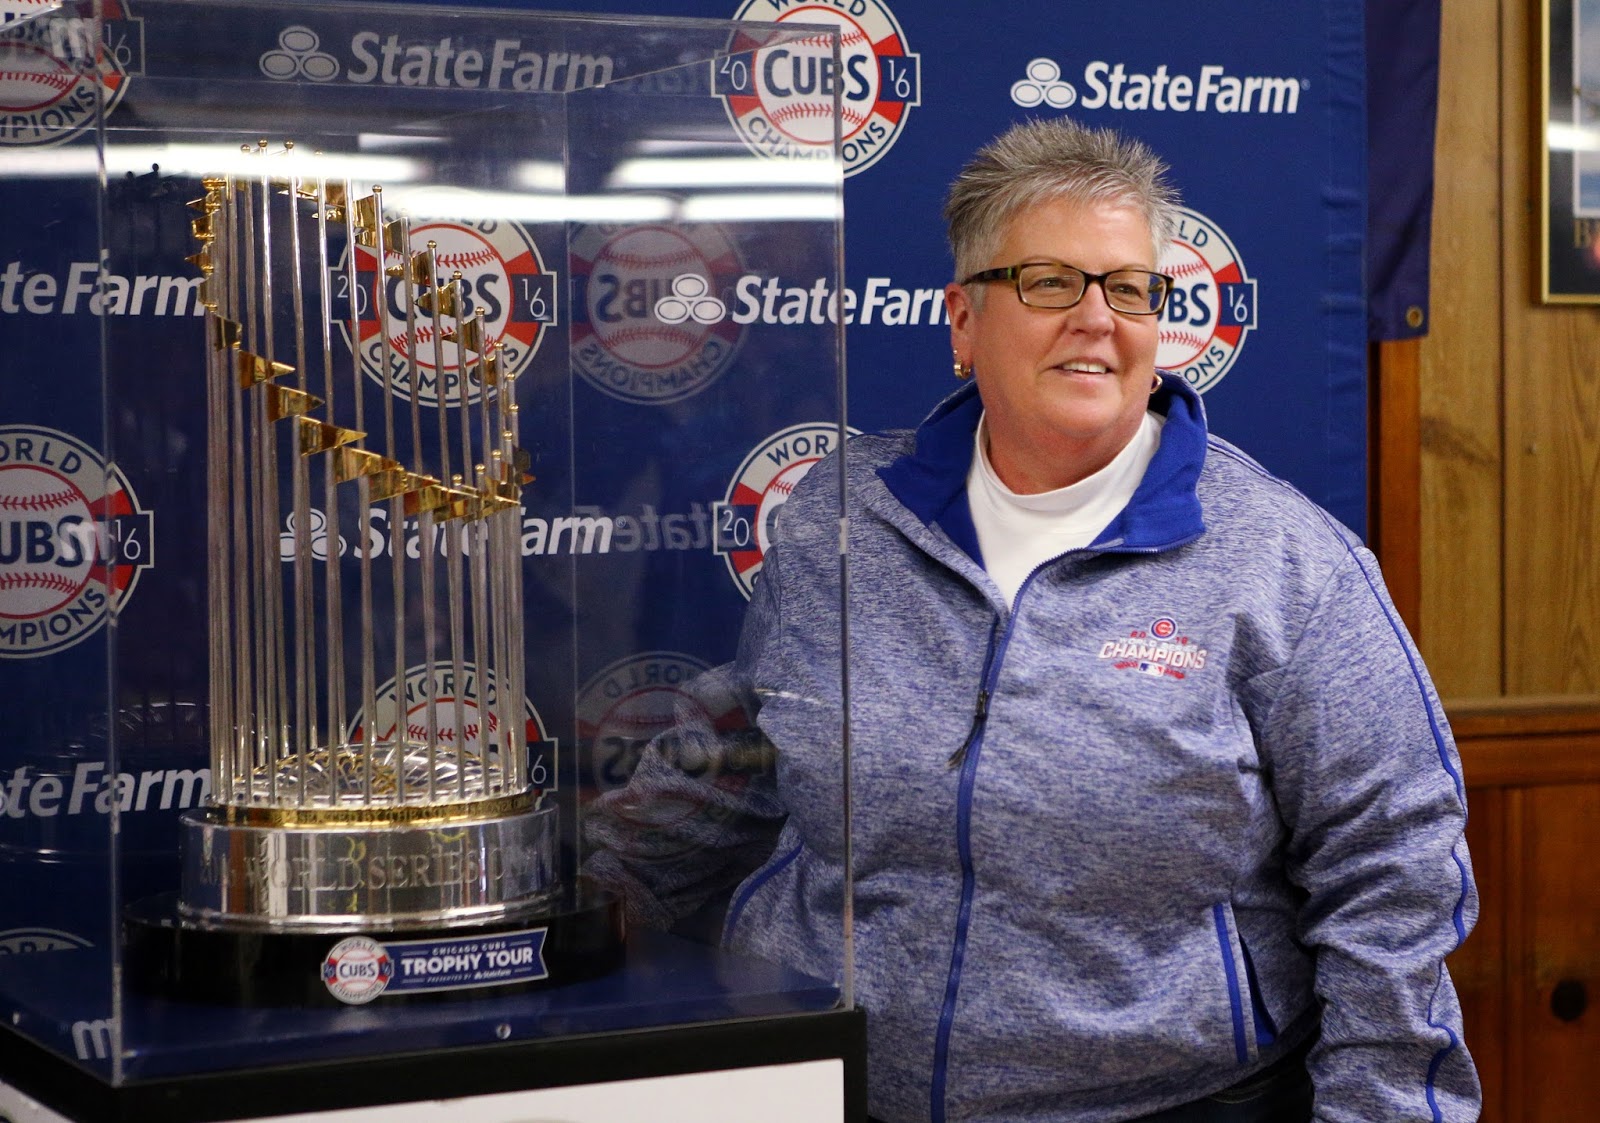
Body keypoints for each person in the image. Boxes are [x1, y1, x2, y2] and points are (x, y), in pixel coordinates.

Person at [586, 118, 1480, 1123]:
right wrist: (576, 910)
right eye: (1050, 281)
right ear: (962, 322)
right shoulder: (843, 518)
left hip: (1172, 1105)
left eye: (1131, 287)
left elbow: (1393, 880)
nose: (1097, 318)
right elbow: (742, 753)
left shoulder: (1286, 564)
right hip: (837, 1087)